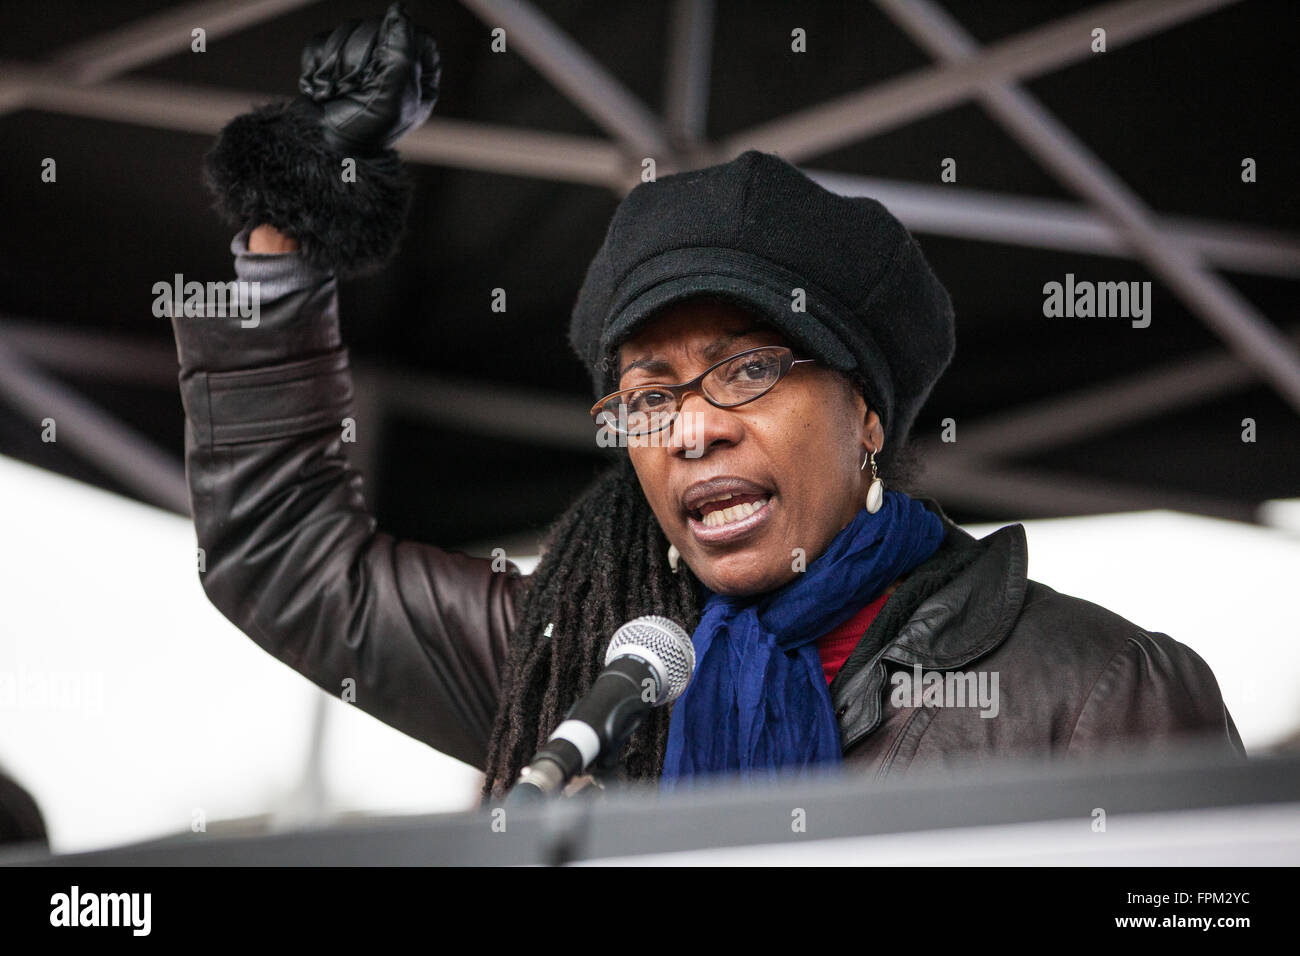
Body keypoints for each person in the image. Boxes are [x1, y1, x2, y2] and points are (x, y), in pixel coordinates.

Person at [174, 4, 1244, 804]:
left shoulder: (1100, 690)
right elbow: (281, 551)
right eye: (648, 392)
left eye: (748, 371)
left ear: (867, 415)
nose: (690, 426)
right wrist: (290, 219)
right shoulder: (586, 655)